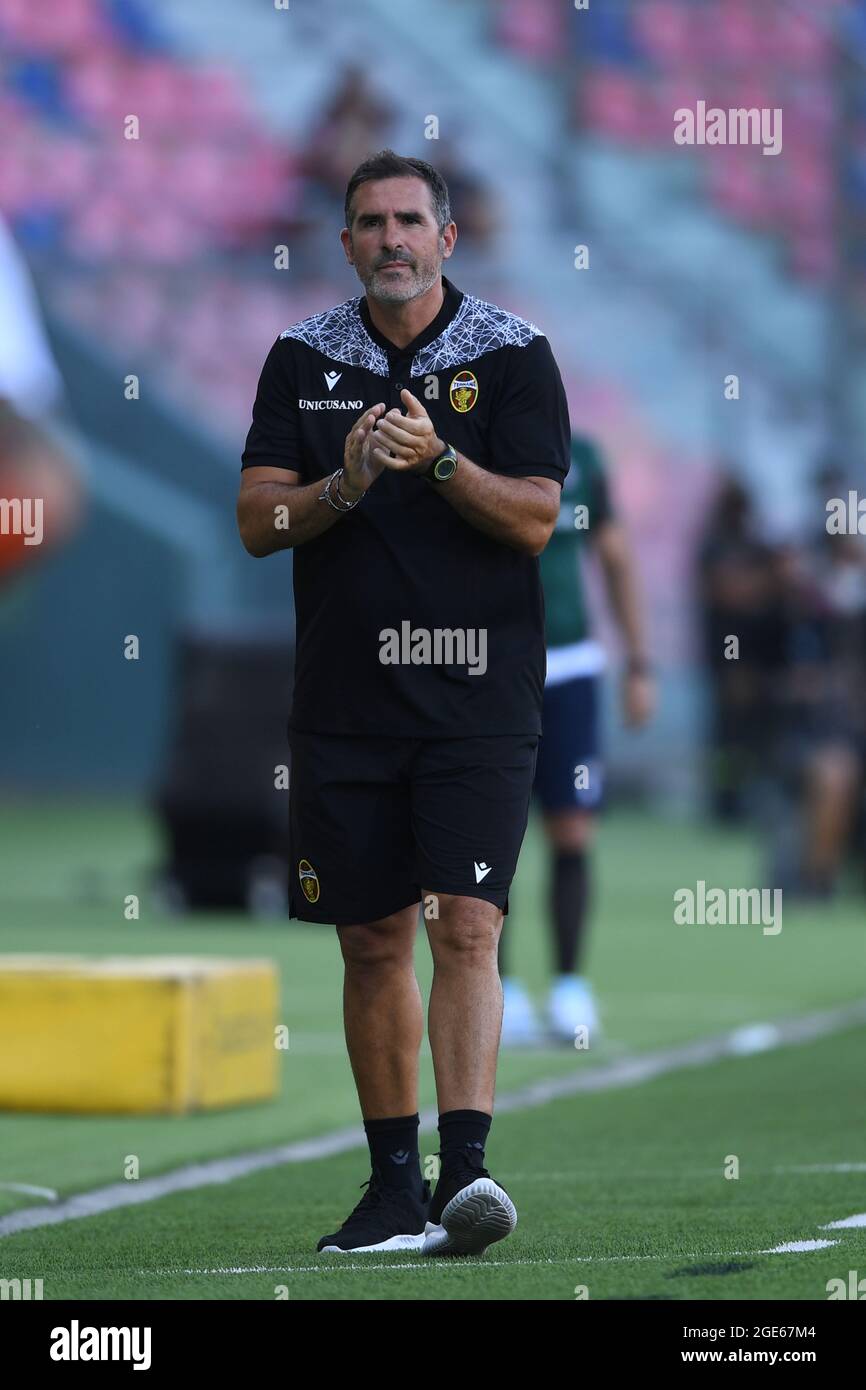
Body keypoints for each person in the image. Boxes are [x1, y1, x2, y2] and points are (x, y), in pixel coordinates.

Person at [237, 151, 570, 1256]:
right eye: (369, 223)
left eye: (408, 221)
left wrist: (433, 463)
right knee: (371, 941)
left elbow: (531, 519)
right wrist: (342, 483)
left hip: (478, 696)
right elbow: (255, 521)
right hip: (342, 700)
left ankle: (465, 1176)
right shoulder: (299, 357)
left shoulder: (514, 355)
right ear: (343, 243)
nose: (389, 239)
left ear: (446, 236)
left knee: (464, 925)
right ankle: (391, 1187)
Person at [500, 436, 654, 1045]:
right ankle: (500, 988)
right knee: (493, 831)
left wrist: (639, 664)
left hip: (571, 669)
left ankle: (568, 985)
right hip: (491, 669)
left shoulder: (584, 459)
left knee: (572, 827)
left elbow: (614, 556)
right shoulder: (476, 444)